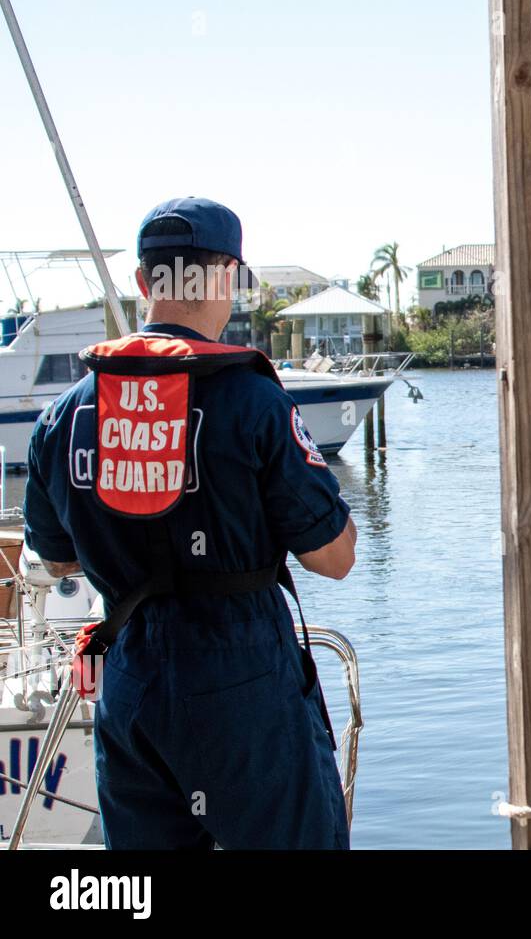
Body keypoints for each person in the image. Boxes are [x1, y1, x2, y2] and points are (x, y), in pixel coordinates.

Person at [24, 197, 356, 849]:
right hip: (243, 678)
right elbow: (332, 557)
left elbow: (57, 559)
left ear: (144, 283)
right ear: (226, 278)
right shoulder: (253, 398)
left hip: (130, 681)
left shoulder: (64, 416)